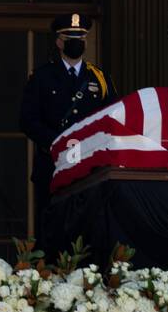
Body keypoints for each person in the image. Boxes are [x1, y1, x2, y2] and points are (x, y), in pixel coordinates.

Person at [19, 13, 117, 235]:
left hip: (89, 163)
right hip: (52, 164)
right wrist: (57, 143)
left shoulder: (99, 77)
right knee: (52, 227)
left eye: (80, 38)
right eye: (71, 38)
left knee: (89, 225)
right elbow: (27, 120)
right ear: (59, 42)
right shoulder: (42, 77)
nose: (77, 43)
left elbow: (112, 117)